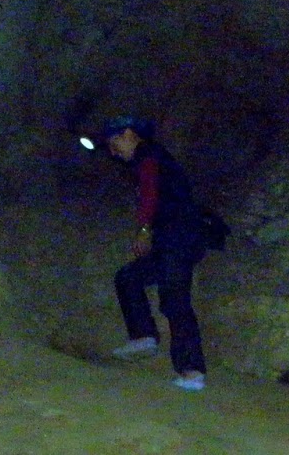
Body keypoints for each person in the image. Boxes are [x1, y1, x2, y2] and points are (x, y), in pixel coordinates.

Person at [99, 114, 209, 392]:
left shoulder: (149, 157)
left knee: (175, 298)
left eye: (115, 143)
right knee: (129, 277)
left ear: (128, 134)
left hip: (179, 238)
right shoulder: (150, 159)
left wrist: (145, 230)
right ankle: (144, 335)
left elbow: (150, 193)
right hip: (170, 239)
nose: (113, 152)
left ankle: (192, 370)